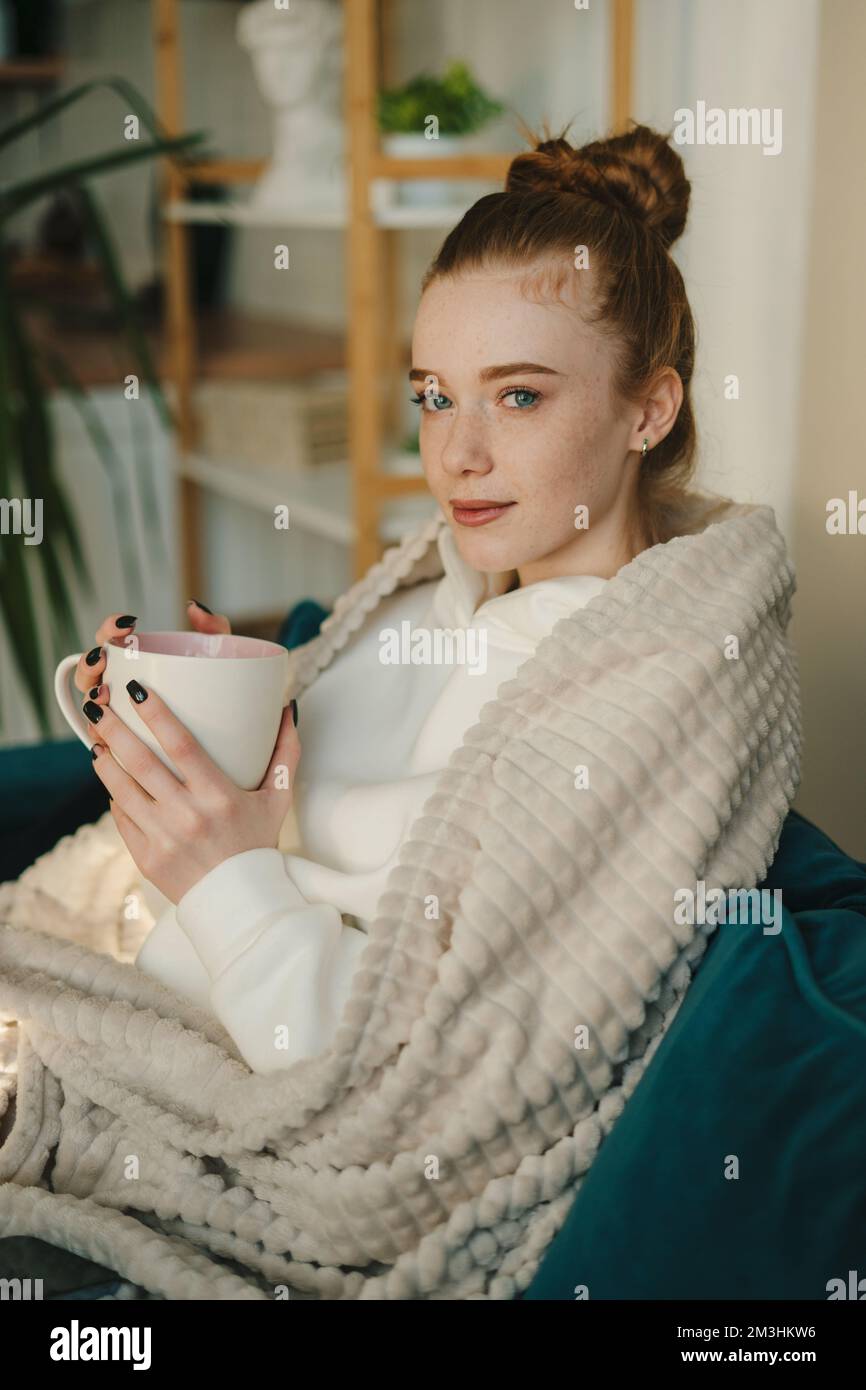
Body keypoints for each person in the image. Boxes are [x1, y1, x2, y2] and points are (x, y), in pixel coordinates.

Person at [73, 122, 759, 1074]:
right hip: (146, 981)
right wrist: (223, 731)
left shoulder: (640, 706)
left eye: (518, 396)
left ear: (650, 407)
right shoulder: (430, 594)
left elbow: (418, 1077)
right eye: (435, 396)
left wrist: (225, 877)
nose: (457, 453)